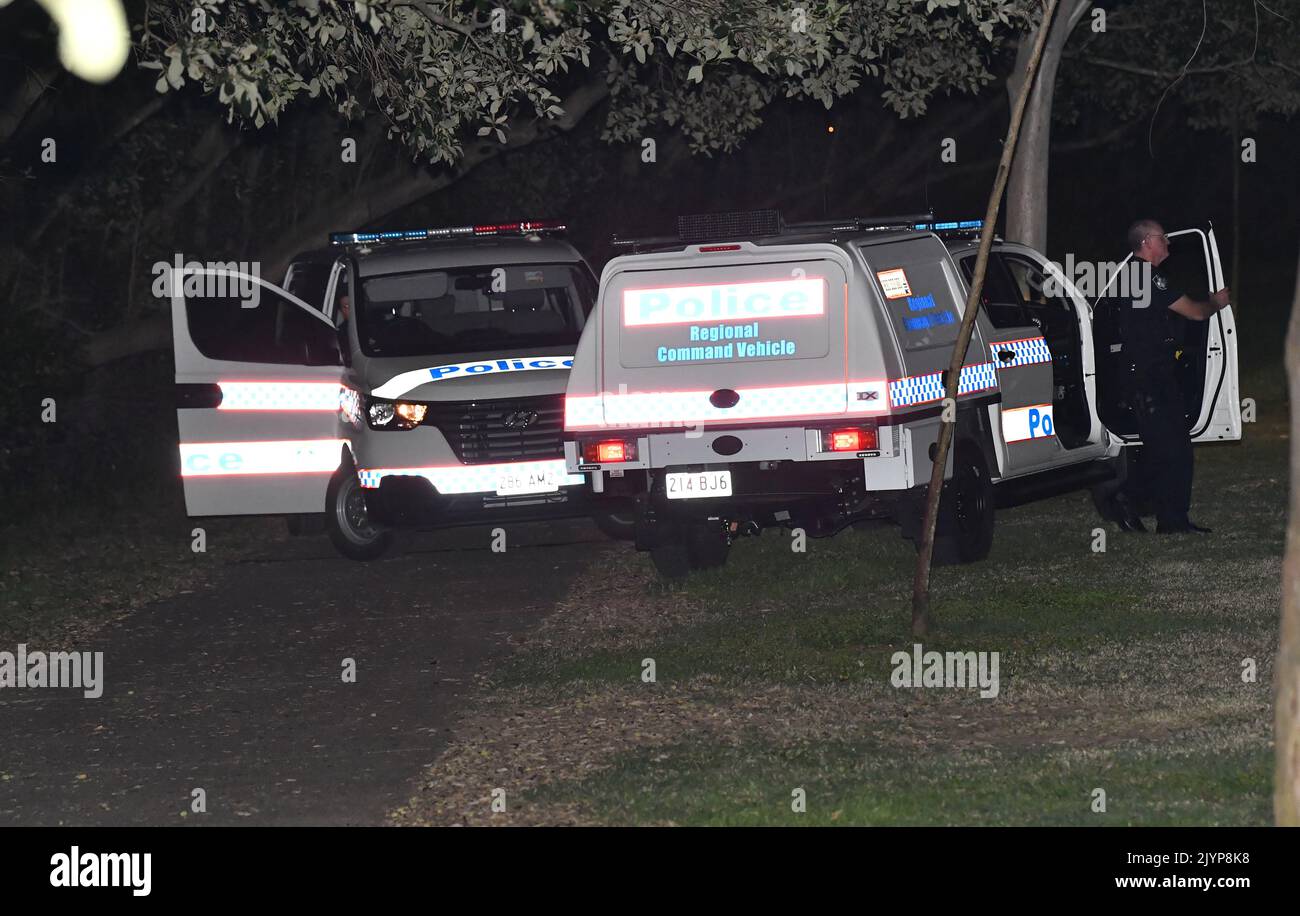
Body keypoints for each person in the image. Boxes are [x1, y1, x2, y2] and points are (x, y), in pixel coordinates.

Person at [1110, 219, 1230, 534]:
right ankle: (1140, 504)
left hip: (1146, 375)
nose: (1168, 243)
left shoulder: (1130, 276)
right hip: (1149, 377)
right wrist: (1217, 301)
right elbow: (1194, 312)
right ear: (1148, 242)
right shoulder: (1150, 278)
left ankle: (1165, 516)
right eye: (1163, 238)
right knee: (1173, 449)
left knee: (1164, 448)